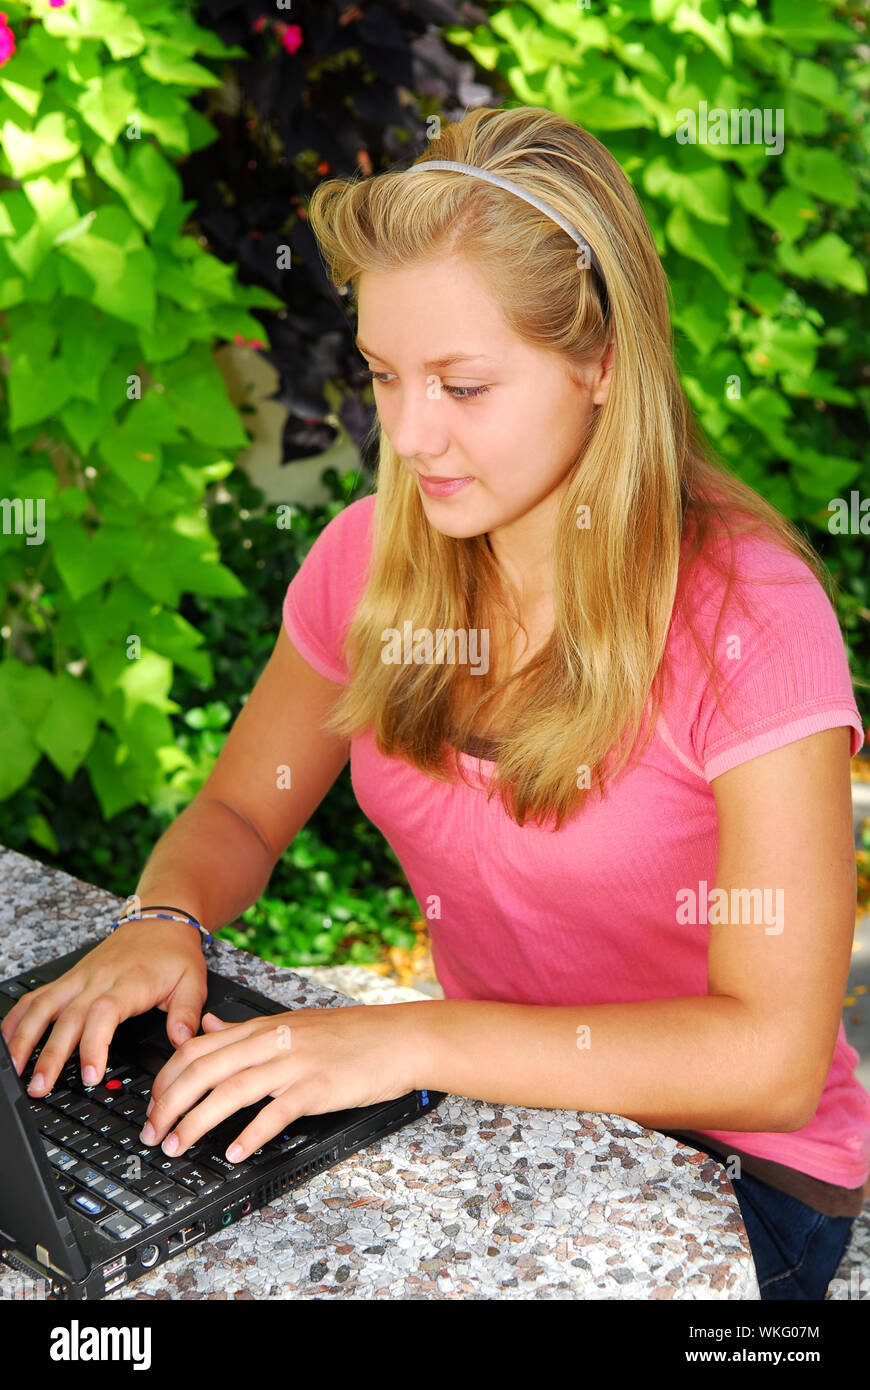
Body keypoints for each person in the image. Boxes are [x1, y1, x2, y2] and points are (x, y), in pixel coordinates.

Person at [3, 106, 867, 1300]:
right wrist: (166, 920)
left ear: (605, 361)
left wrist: (403, 1038)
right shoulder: (368, 560)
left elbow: (771, 1057)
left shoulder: (752, 617)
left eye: (464, 385)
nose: (410, 434)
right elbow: (242, 819)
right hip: (493, 1101)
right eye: (383, 374)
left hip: (733, 1176)